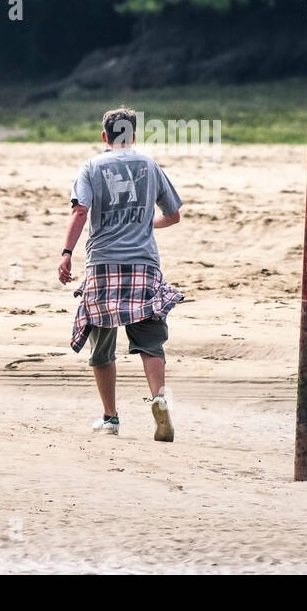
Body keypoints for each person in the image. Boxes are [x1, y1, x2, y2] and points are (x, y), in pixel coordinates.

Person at [58, 106, 183, 440]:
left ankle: (110, 418)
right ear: (134, 135)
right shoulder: (150, 166)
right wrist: (145, 224)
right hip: (144, 264)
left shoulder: (91, 167)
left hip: (103, 264)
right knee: (151, 341)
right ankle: (159, 399)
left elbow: (80, 212)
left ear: (105, 136)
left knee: (101, 346)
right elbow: (173, 215)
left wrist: (67, 253)